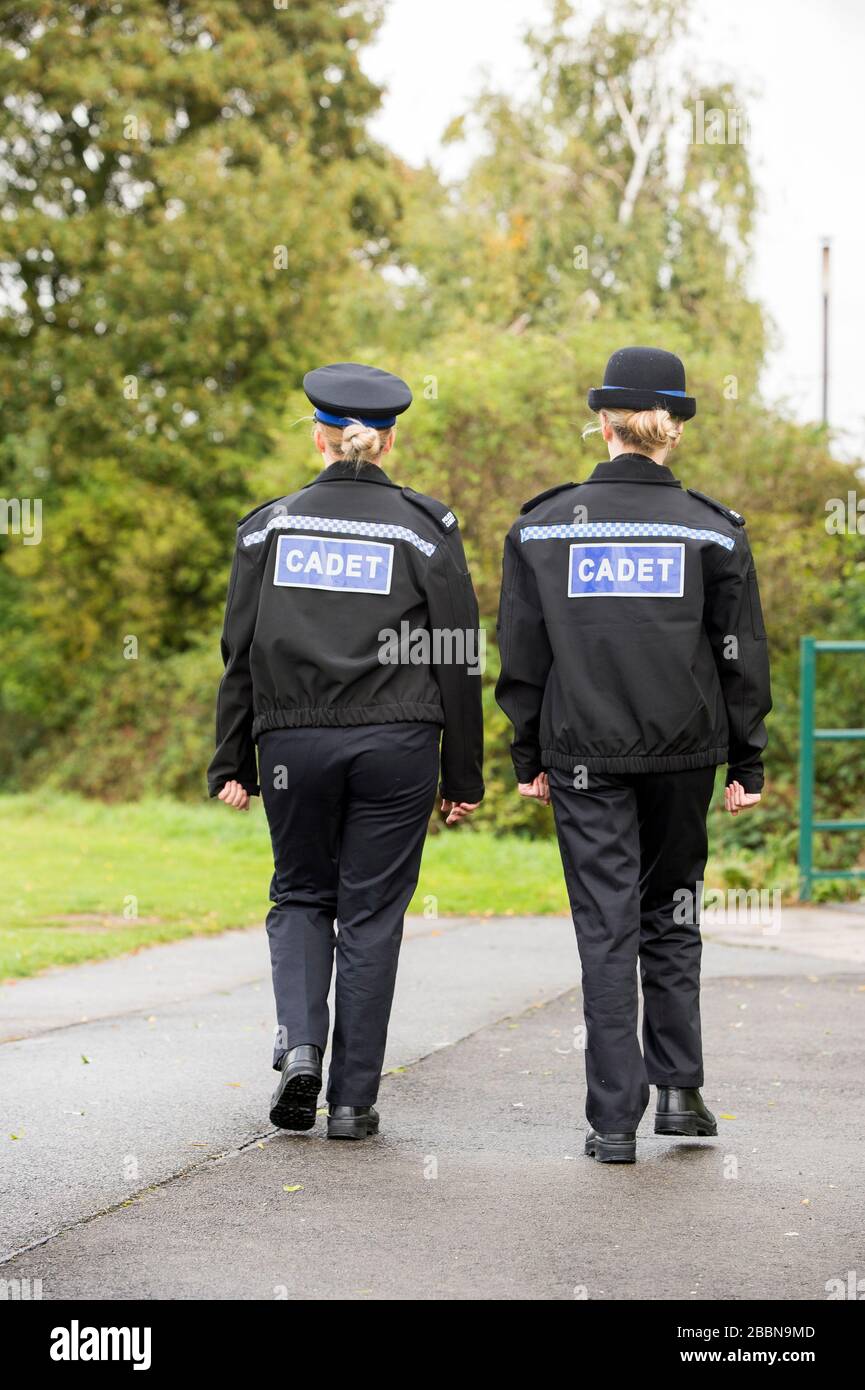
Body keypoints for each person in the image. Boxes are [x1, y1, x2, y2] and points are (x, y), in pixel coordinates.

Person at [495, 346, 771, 1163]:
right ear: (671, 430)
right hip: (683, 754)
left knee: (605, 927)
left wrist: (527, 752)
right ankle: (680, 1093)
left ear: (605, 425)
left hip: (580, 753)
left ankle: (613, 1121)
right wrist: (746, 761)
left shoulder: (543, 527)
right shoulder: (712, 532)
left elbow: (521, 653)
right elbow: (740, 654)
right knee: (672, 913)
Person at [207, 362, 484, 1140]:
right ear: (388, 440)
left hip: (293, 740)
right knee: (371, 914)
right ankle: (353, 1104)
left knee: (300, 894)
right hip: (396, 744)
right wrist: (462, 771)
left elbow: (240, 652)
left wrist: (232, 758)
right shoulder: (426, 530)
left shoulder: (267, 527)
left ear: (321, 436)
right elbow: (458, 652)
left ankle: (300, 1046)